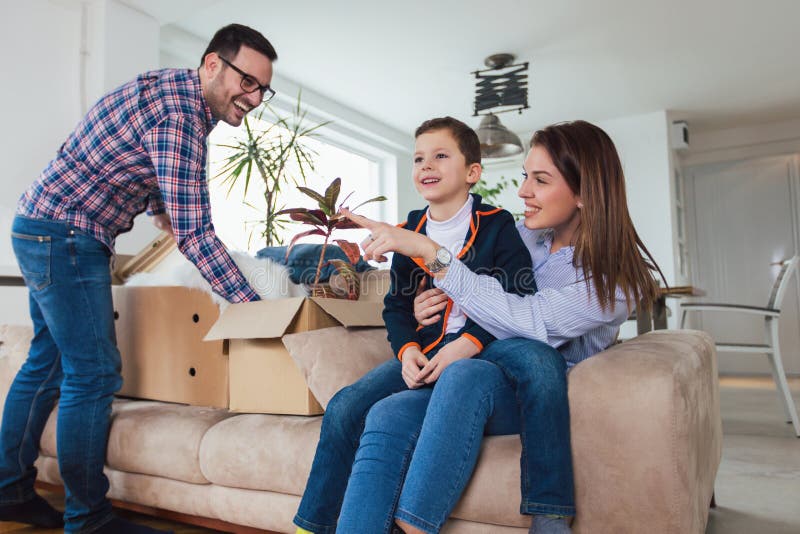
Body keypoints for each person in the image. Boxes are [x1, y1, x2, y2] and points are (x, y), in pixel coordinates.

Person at [0, 24, 277, 534]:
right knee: (96, 373)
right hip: (67, 235)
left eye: (263, 88)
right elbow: (196, 233)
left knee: (47, 361)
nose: (255, 97)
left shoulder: (173, 89)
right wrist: (253, 305)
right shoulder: (181, 118)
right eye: (248, 81)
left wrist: (160, 208)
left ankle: (10, 493)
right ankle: (89, 519)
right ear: (213, 64)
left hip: (41, 226)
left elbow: (136, 160)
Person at [342, 120, 664, 533]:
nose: (522, 192)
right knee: (386, 412)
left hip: (524, 389)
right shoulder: (520, 236)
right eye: (525, 176)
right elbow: (463, 290)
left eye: (540, 180)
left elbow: (531, 322)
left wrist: (432, 255)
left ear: (585, 194)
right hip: (467, 366)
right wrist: (426, 301)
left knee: (466, 374)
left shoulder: (612, 282)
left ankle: (418, 526)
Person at [293, 117, 535, 534]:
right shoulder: (408, 231)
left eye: (441, 156)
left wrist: (472, 340)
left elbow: (518, 301)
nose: (427, 165)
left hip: (477, 357)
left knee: (396, 413)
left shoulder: (497, 225)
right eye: (419, 158)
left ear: (472, 172)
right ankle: (311, 527)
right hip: (423, 353)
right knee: (346, 406)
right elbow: (397, 308)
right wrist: (406, 351)